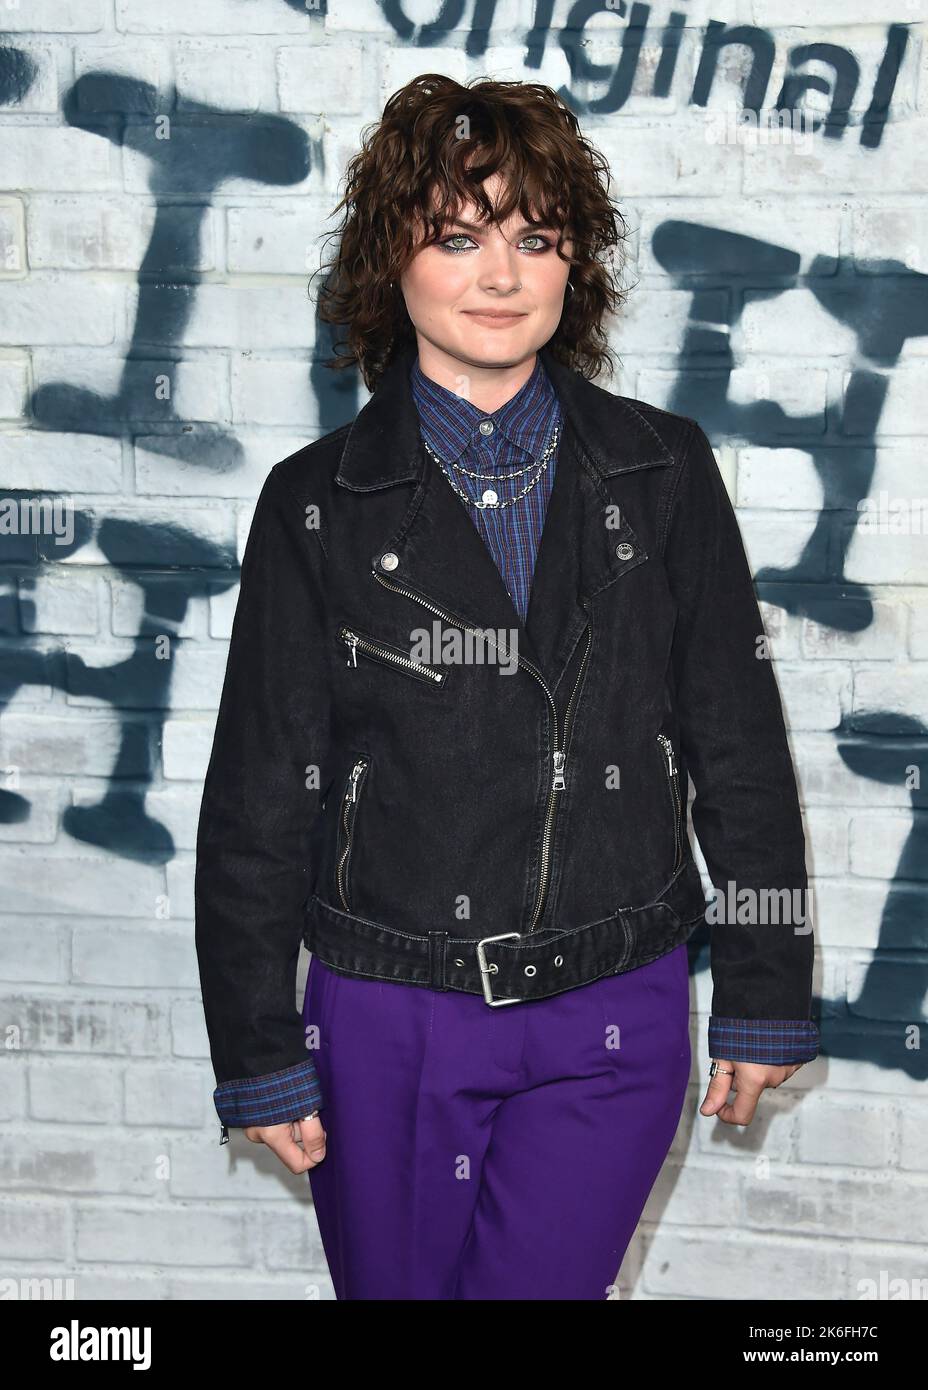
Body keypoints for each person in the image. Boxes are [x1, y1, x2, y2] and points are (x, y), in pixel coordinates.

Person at [195, 73, 819, 1301]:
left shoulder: (662, 470)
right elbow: (263, 789)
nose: (500, 273)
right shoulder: (315, 503)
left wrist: (763, 994)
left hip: (611, 1009)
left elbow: (737, 745)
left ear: (572, 262)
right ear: (393, 263)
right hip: (387, 1017)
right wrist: (258, 1046)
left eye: (534, 238)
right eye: (458, 236)